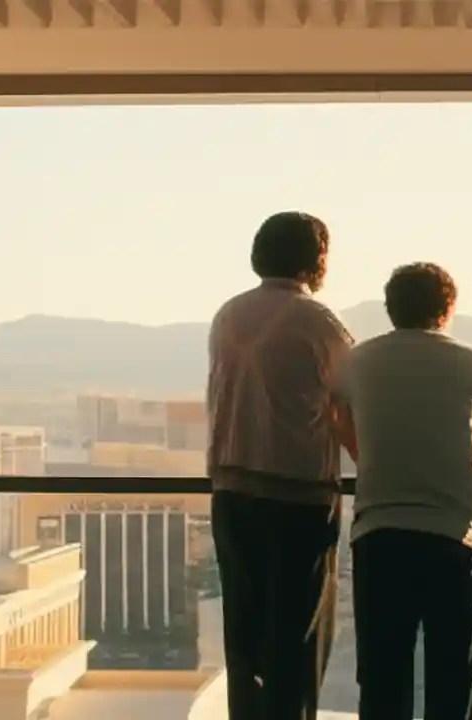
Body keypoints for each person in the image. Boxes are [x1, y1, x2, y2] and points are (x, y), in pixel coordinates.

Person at [207, 211, 357, 720]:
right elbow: (352, 398)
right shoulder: (319, 321)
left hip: (231, 488)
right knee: (297, 640)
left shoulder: (227, 315)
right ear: (316, 259)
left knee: (244, 638)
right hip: (298, 496)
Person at [341, 262, 472, 720]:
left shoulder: (359, 360)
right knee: (453, 677)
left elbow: (336, 414)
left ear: (390, 308)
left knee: (381, 677)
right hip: (456, 535)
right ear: (448, 308)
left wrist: (365, 457)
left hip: (379, 532)